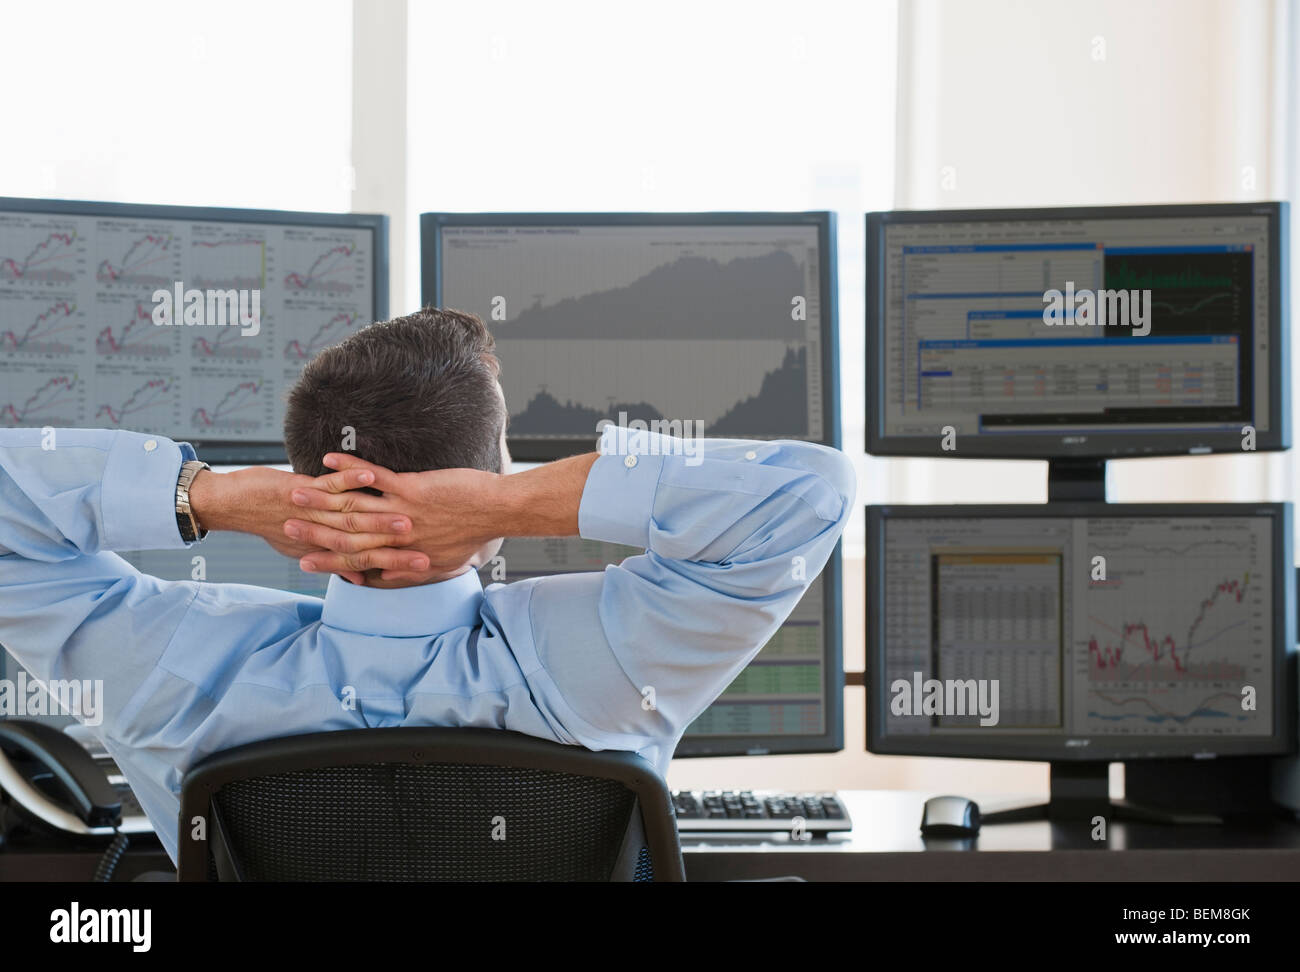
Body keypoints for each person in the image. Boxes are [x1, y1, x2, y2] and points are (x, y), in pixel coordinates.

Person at [0, 308, 855, 862]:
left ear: (302, 477)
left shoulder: (177, 675)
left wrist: (209, 495)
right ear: (481, 477)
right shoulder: (606, 665)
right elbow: (809, 496)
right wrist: (514, 504)